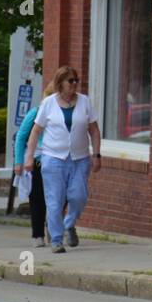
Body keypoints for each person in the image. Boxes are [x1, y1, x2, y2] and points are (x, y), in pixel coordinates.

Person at [23, 65, 102, 254]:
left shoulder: (84, 102)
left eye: (76, 81)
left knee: (78, 196)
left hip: (80, 158)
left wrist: (97, 154)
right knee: (54, 201)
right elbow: (35, 131)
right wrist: (29, 157)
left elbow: (94, 130)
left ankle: (69, 224)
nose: (74, 85)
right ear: (60, 83)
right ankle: (56, 240)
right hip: (53, 158)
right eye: (70, 81)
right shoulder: (48, 103)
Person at [12, 91, 47, 248]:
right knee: (37, 199)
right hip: (37, 161)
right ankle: (38, 234)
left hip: (56, 160)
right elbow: (21, 137)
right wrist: (19, 162)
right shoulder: (35, 113)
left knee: (56, 199)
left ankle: (53, 228)